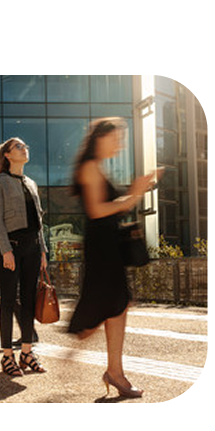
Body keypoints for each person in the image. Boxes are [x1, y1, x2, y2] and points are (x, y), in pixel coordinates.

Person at [68, 117, 159, 398]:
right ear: (100, 138)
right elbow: (97, 210)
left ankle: (113, 371)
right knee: (112, 305)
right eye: (116, 138)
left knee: (118, 304)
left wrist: (133, 194)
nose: (120, 145)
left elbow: (106, 210)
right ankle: (85, 354)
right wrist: (133, 195)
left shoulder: (97, 168)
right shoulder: (90, 168)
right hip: (102, 249)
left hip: (107, 246)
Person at [0, 137, 48, 378]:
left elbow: (39, 222)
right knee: (7, 301)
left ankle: (26, 352)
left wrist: (43, 250)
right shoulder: (0, 182)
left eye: (26, 146)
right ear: (7, 155)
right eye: (19, 147)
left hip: (33, 248)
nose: (25, 149)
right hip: (12, 248)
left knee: (28, 300)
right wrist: (5, 250)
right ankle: (7, 356)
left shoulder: (31, 183)